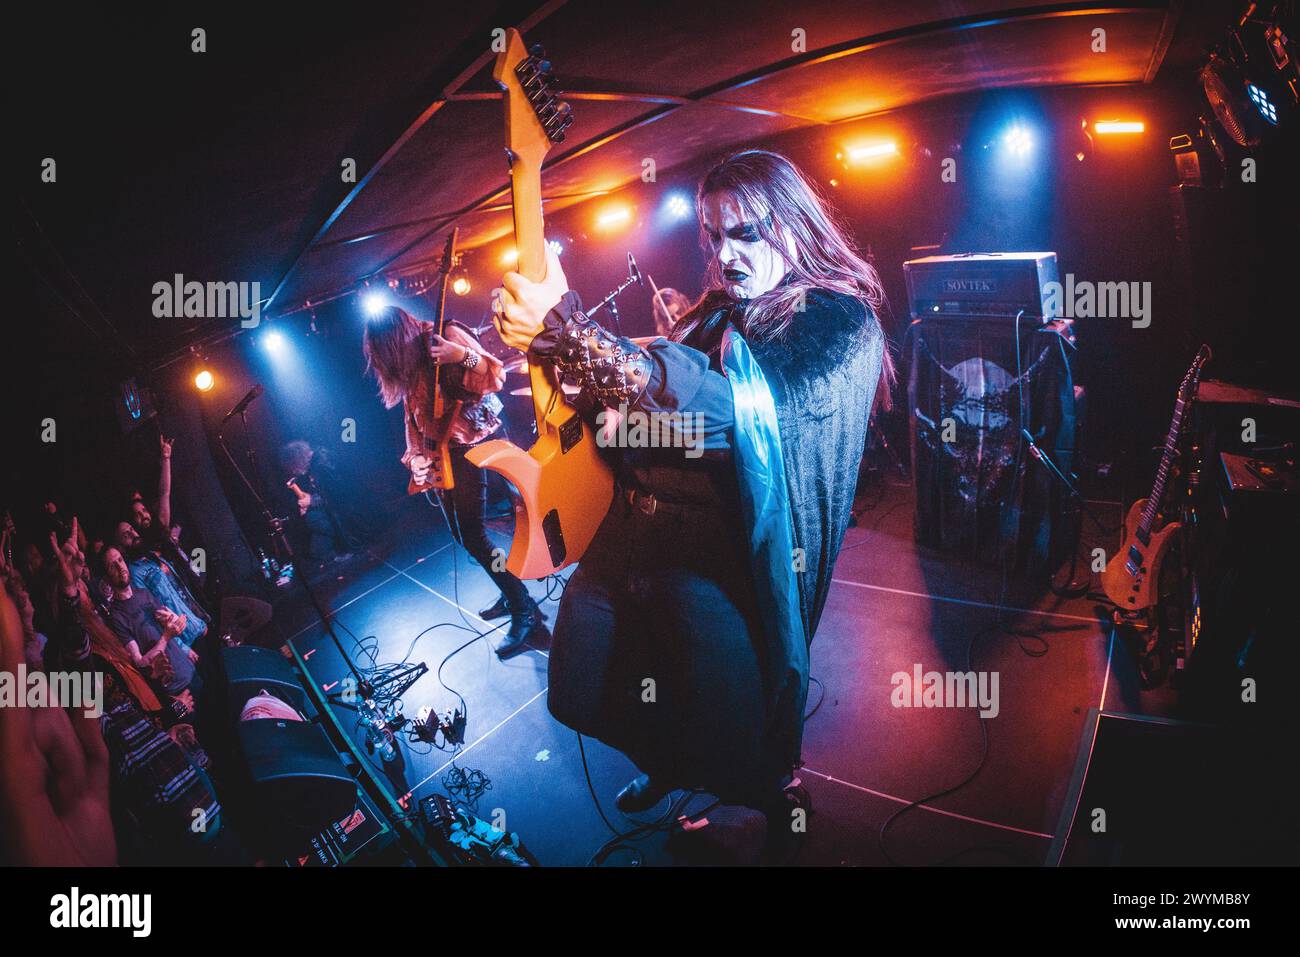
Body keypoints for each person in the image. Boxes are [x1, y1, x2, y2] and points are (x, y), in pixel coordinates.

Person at [492, 149, 891, 849]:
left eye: (747, 232)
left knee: (732, 734)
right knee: (581, 689)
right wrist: (567, 367)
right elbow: (652, 413)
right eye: (714, 235)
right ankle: (669, 762)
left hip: (714, 560)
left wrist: (569, 330)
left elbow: (735, 415)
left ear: (794, 223)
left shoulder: (838, 321)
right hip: (629, 543)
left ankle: (772, 791)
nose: (726, 253)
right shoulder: (710, 314)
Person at [362, 306, 550, 658]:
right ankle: (509, 588)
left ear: (397, 339)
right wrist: (415, 457)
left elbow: (495, 375)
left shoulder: (443, 334)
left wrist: (459, 354)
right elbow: (413, 413)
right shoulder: (411, 363)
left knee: (474, 536)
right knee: (464, 536)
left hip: (474, 444)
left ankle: (524, 609)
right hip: (445, 454)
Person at [280, 440, 358, 565]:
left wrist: (312, 500)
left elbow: (338, 494)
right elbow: (324, 492)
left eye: (293, 467)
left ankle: (340, 548)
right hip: (334, 509)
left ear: (297, 459)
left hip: (351, 510)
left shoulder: (322, 463)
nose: (294, 472)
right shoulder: (314, 465)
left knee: (315, 520)